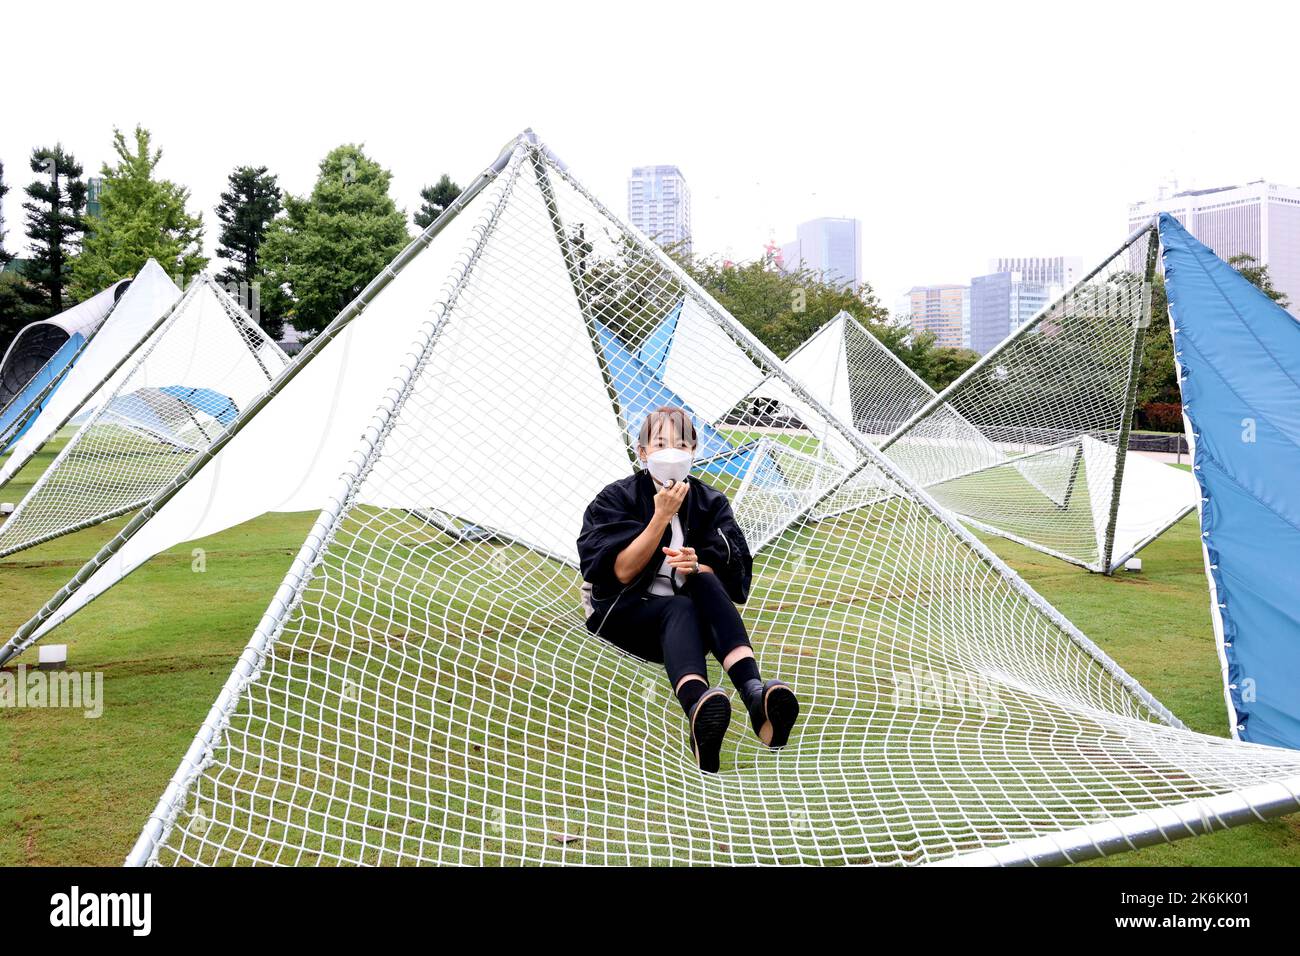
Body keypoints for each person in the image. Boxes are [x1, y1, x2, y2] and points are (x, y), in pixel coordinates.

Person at [576, 405, 800, 773]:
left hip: (688, 624)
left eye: (681, 443)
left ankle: (755, 698)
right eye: (660, 442)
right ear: (642, 451)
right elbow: (618, 573)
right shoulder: (616, 498)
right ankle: (700, 704)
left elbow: (734, 581)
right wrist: (660, 516)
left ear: (694, 450)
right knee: (678, 608)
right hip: (622, 613)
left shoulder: (711, 502)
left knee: (701, 579)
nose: (671, 451)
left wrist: (697, 565)